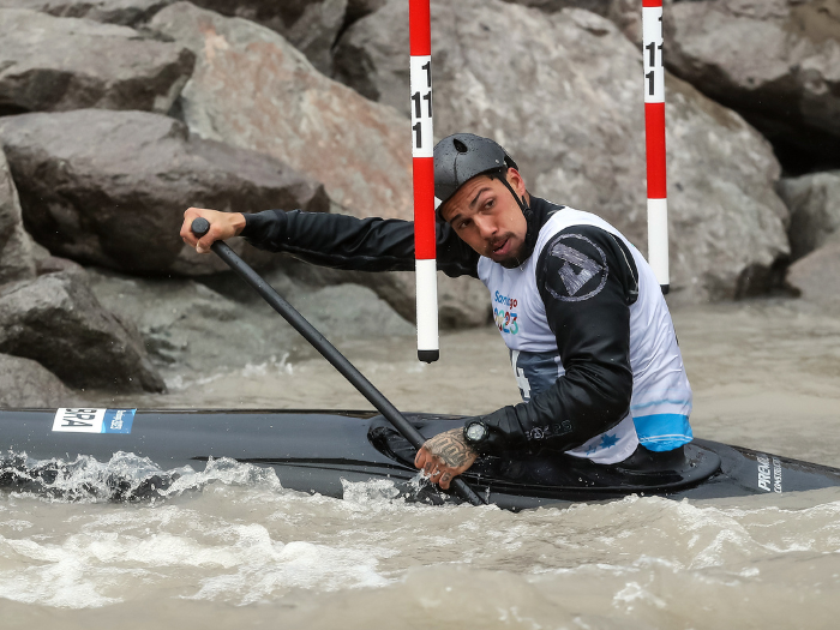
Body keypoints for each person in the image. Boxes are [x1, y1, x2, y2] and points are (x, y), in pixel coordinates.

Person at [179, 133, 693, 491]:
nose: (483, 230)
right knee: (396, 443)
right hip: (575, 442)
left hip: (631, 465)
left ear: (516, 181)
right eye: (464, 223)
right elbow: (369, 241)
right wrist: (246, 223)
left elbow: (600, 393)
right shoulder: (494, 243)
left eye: (488, 203)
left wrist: (476, 437)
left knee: (409, 489)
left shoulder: (569, 255)